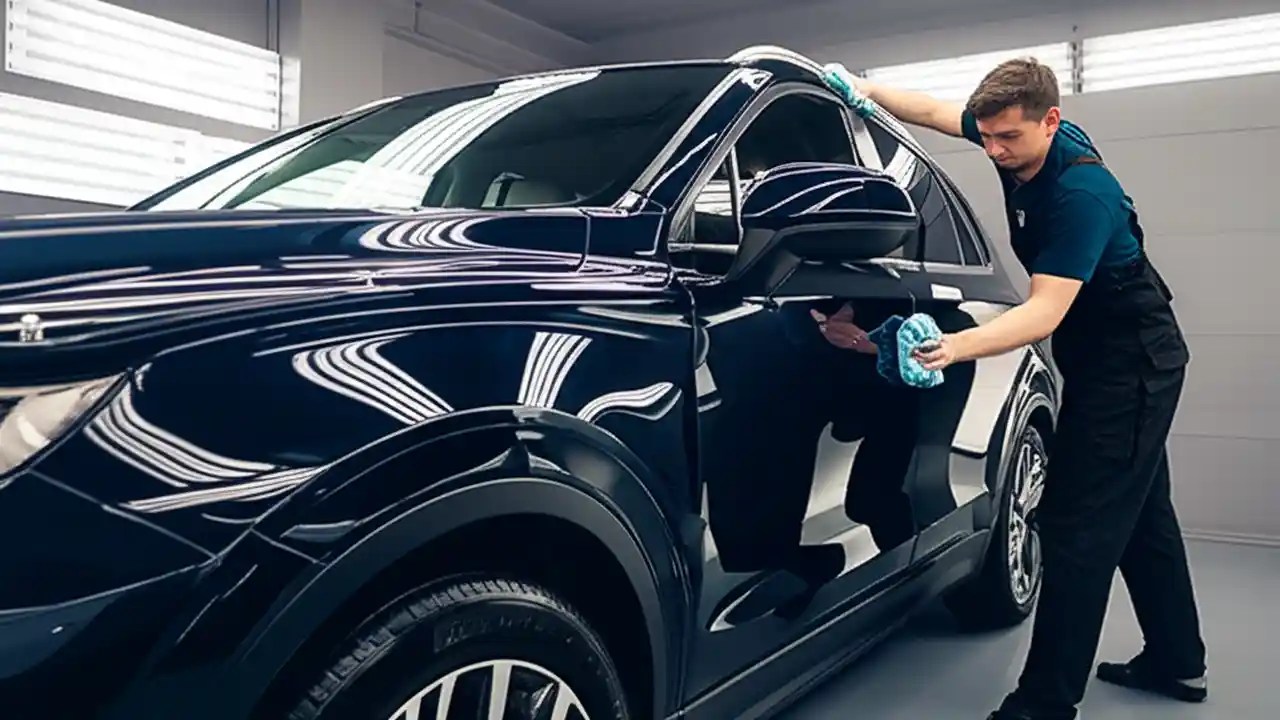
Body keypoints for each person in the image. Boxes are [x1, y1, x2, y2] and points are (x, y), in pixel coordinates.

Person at [842, 58, 1209, 719]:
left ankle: (1044, 702)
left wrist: (952, 347)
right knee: (1144, 517)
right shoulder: (1009, 135)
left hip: (1131, 365)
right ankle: (1177, 662)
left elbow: (1043, 313)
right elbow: (928, 110)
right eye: (985, 136)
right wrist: (864, 91)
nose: (993, 150)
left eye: (1007, 138)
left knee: (1078, 528)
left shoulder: (1080, 195)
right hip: (1107, 357)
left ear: (1051, 121)